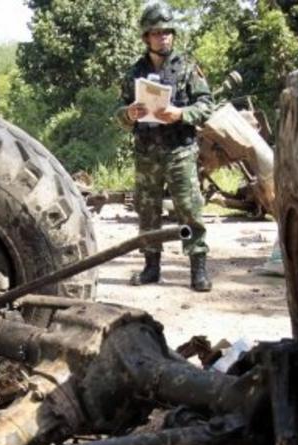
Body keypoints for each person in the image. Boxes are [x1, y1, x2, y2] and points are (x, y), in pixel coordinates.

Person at [116, 4, 216, 292]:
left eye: (168, 32)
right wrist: (129, 114)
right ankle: (151, 267)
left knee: (189, 210)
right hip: (146, 152)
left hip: (179, 150)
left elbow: (206, 105)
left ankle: (198, 269)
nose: (164, 38)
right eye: (157, 33)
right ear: (146, 37)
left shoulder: (187, 67)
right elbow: (119, 113)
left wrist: (181, 113)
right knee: (148, 211)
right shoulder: (135, 73)